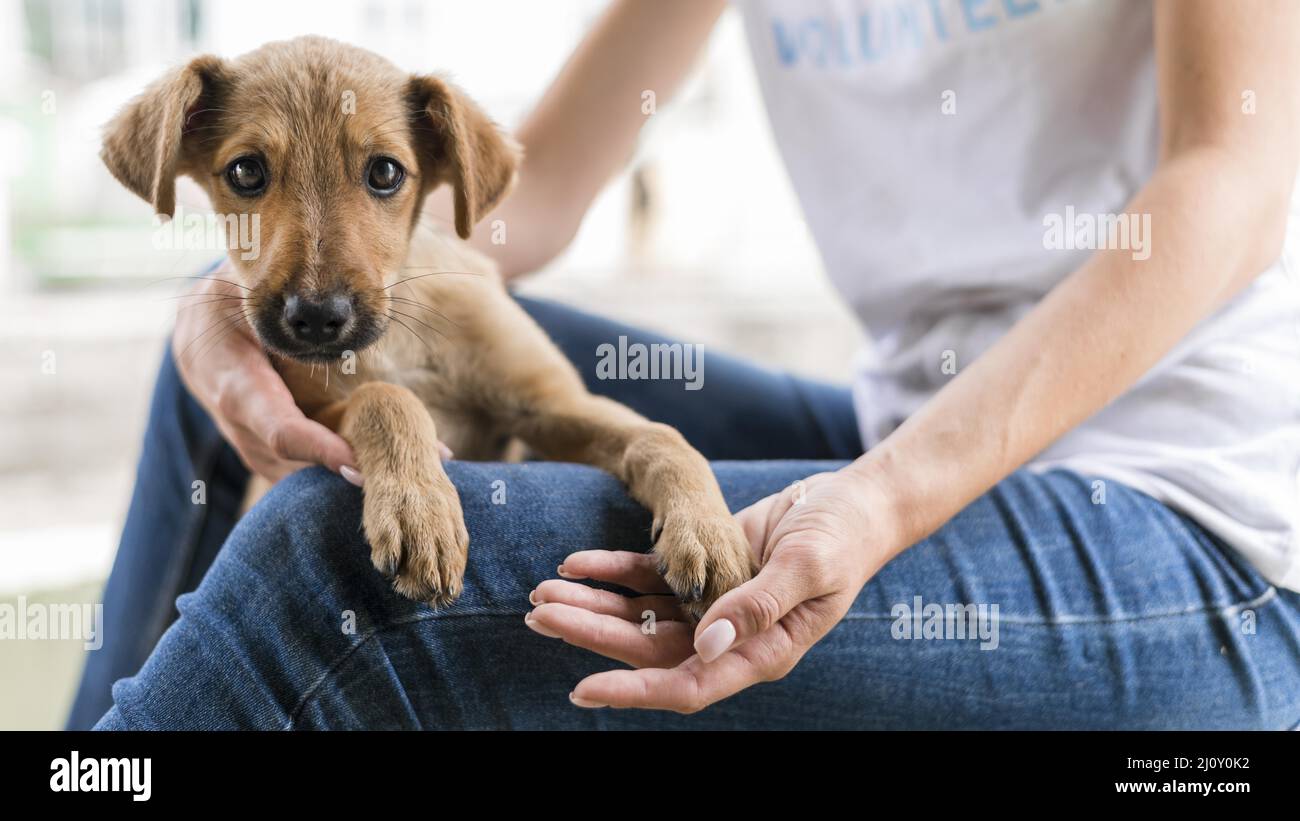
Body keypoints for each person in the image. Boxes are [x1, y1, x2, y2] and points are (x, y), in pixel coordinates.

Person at [70, 0, 1300, 729]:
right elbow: (523, 195)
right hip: (900, 417)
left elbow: (1230, 187)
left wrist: (879, 499)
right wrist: (229, 299)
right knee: (229, 379)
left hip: (1191, 510)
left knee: (328, 556)